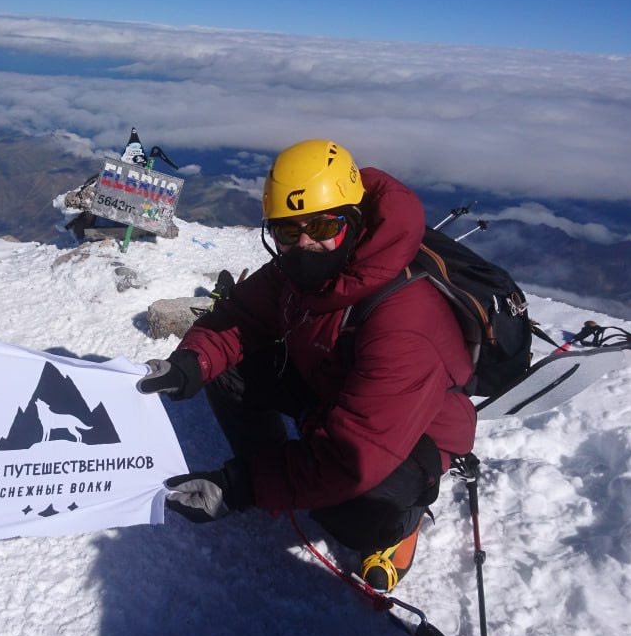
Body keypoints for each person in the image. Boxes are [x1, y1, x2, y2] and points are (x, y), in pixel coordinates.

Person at [136, 139, 476, 592]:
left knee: (353, 507)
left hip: (413, 431)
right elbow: (242, 316)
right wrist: (190, 364)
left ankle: (402, 520)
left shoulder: (404, 321)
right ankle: (277, 469)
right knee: (226, 372)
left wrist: (239, 487)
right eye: (288, 231)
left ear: (353, 221)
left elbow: (349, 461)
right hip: (331, 384)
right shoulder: (298, 272)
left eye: (322, 225)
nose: (306, 244)